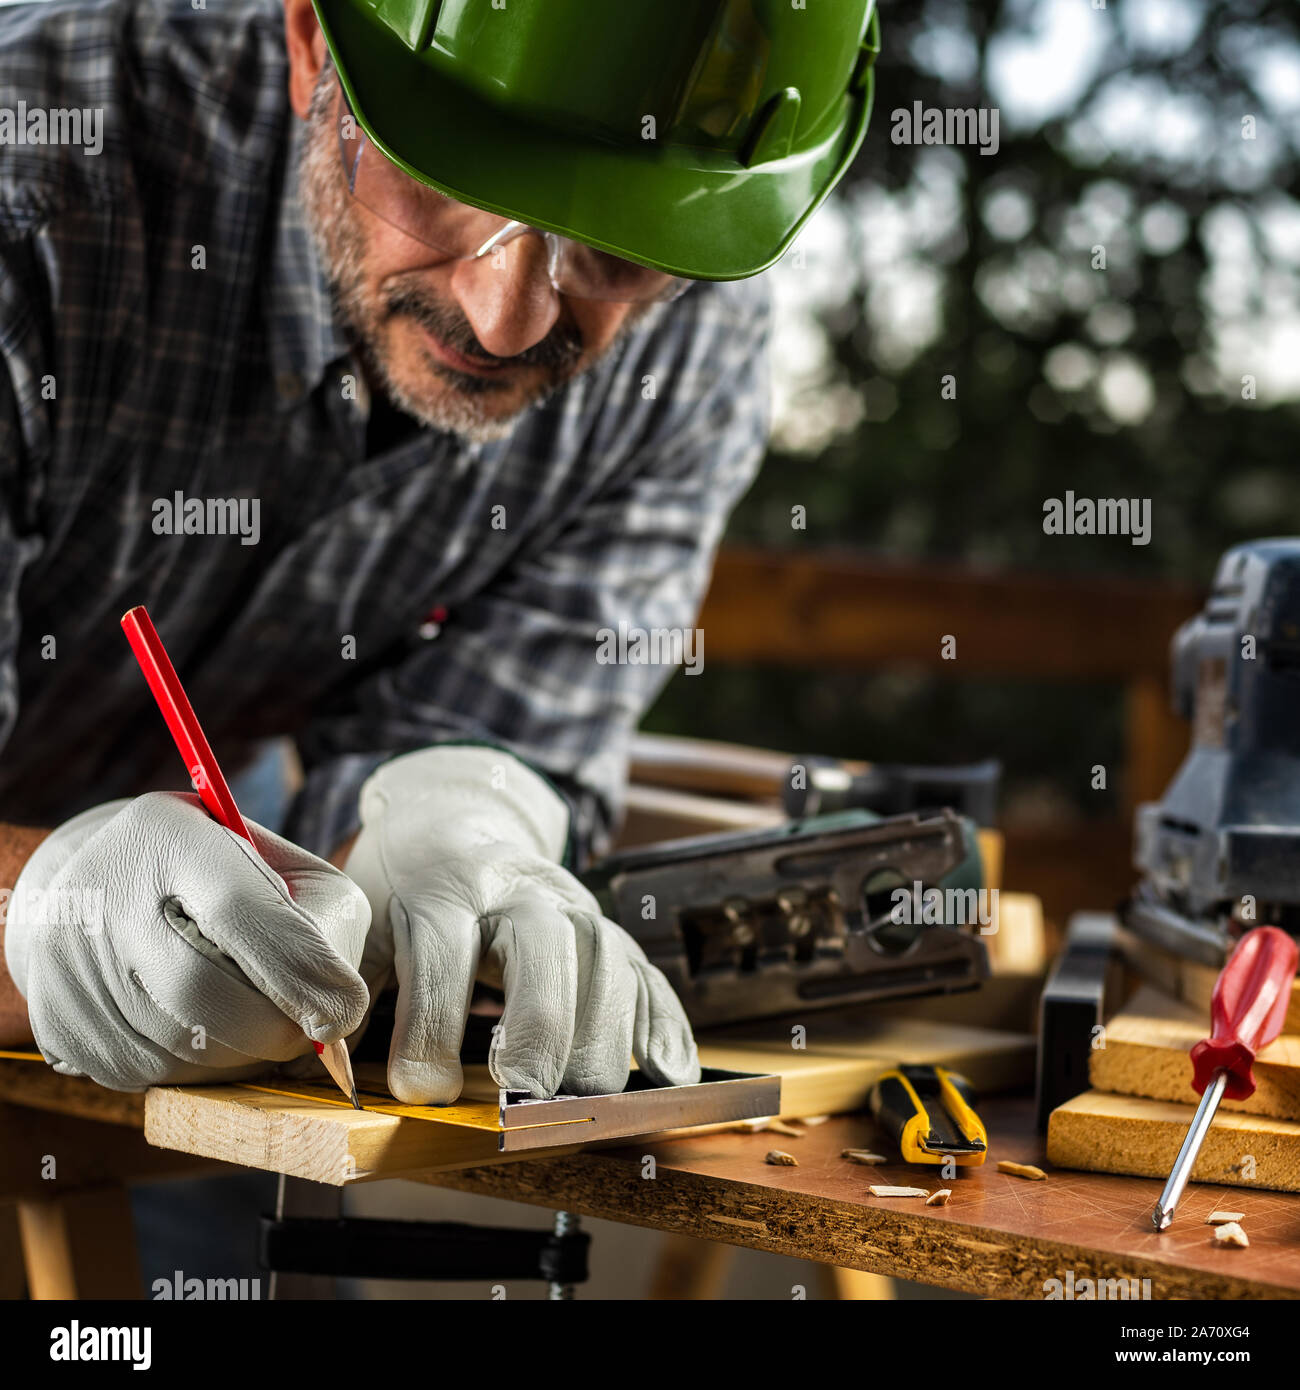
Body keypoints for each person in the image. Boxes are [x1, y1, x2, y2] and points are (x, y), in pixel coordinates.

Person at [0, 0, 880, 1105]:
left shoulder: (691, 341)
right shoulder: (33, 179)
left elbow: (513, 708)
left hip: (208, 861)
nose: (504, 318)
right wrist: (32, 910)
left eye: (612, 248)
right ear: (312, 38)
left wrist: (466, 803)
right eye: (441, 182)